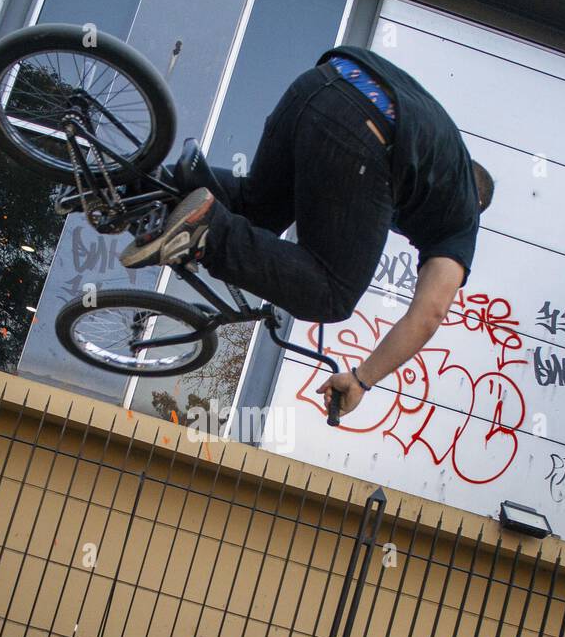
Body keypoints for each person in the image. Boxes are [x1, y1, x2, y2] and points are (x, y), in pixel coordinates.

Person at [120, 46, 494, 421]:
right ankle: (207, 233)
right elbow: (429, 314)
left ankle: (144, 186)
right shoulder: (462, 215)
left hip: (320, 83)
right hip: (368, 127)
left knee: (258, 211)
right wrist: (363, 380)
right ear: (476, 200)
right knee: (333, 294)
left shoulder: (437, 151)